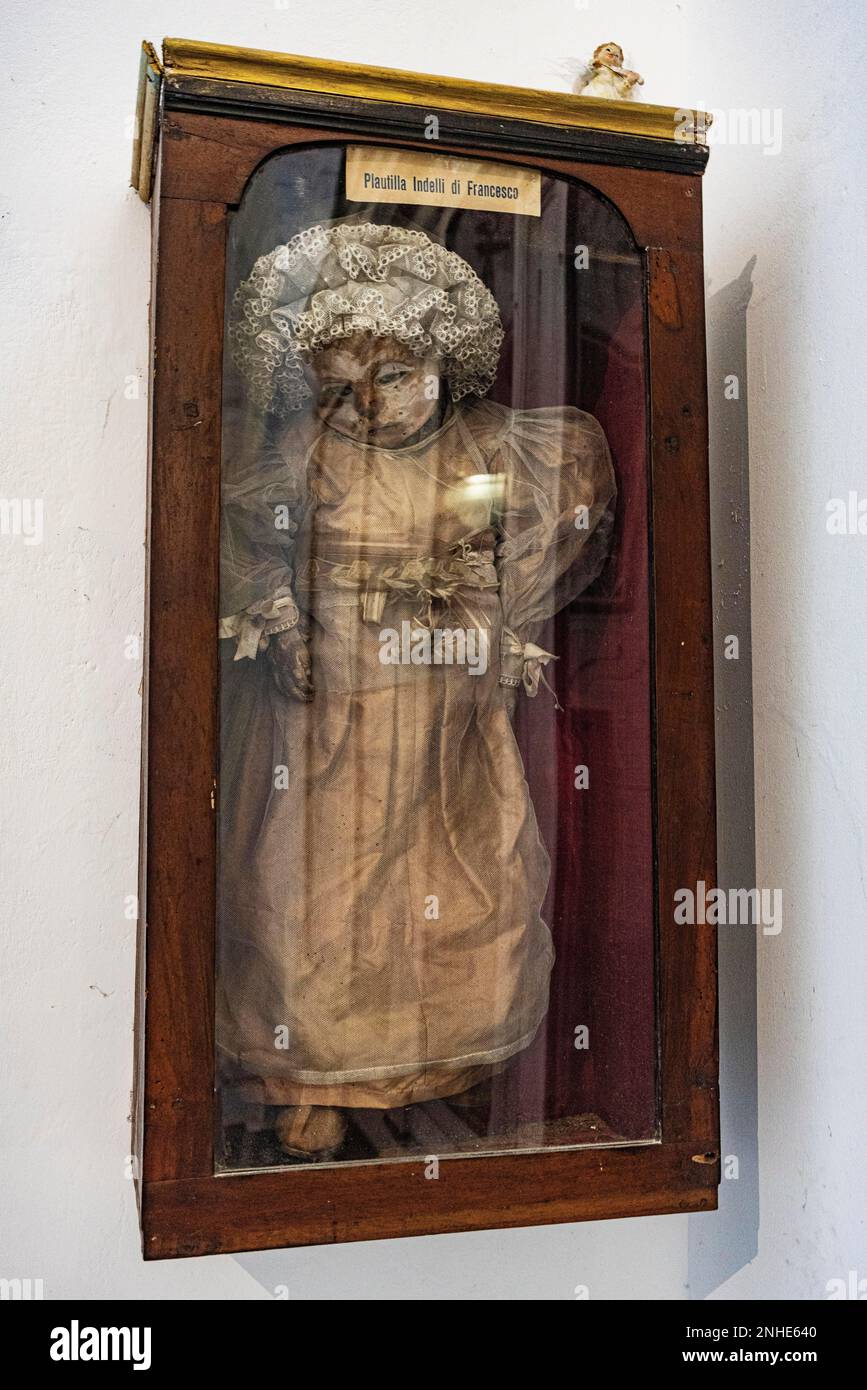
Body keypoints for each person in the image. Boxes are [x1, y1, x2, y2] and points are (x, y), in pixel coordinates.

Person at [217, 220, 616, 1159]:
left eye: (392, 377)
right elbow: (247, 537)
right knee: (314, 878)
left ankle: (433, 1057)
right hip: (329, 703)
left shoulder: (488, 445)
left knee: (450, 867)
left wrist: (487, 608)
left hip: (442, 703)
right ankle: (311, 1069)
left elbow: (553, 521)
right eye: (337, 389)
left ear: (442, 360)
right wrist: (279, 616)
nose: (365, 404)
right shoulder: (298, 457)